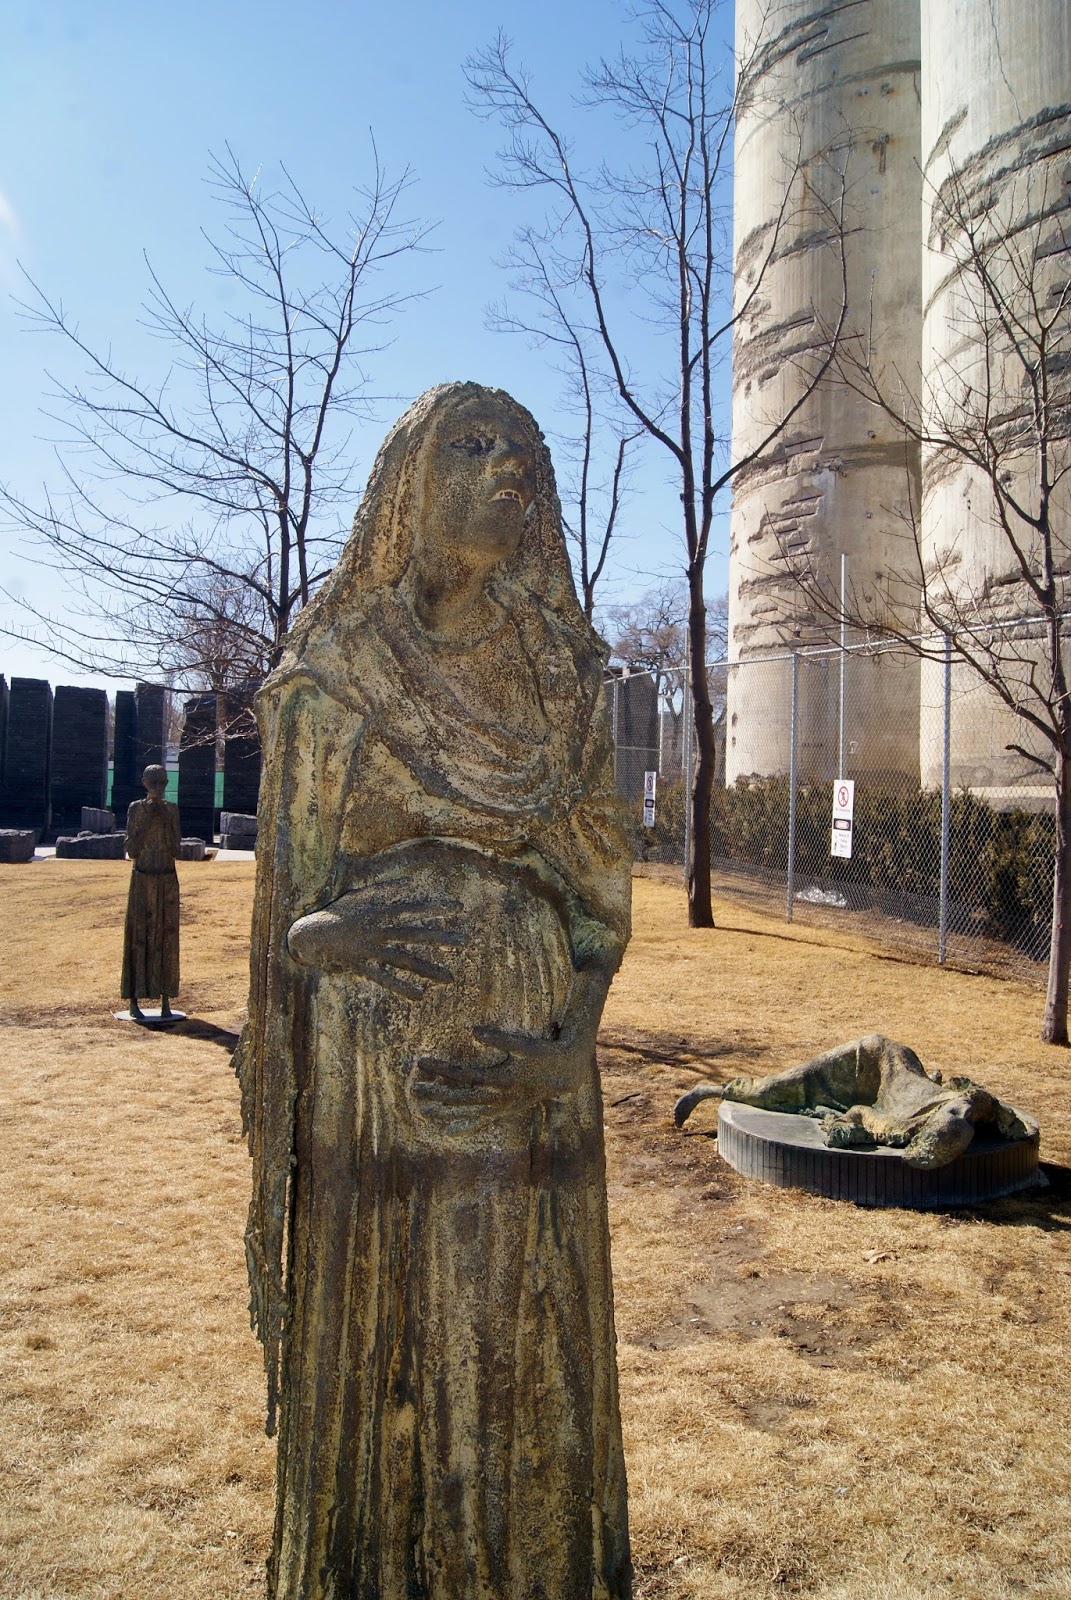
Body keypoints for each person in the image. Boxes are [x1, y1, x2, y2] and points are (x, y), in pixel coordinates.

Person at [235, 383, 633, 1600]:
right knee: (397, 1344)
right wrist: (334, 936)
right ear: (413, 480)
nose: (509, 467)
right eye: (475, 445)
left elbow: (600, 906)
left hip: (528, 1071)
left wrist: (574, 1045)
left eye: (524, 452)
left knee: (512, 1343)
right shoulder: (339, 667)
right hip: (375, 1072)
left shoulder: (563, 677)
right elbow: (286, 921)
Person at [121, 763, 181, 1021]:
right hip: (143, 879)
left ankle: (165, 997)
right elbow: (132, 849)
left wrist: (165, 819)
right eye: (153, 783)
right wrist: (147, 817)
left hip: (166, 879)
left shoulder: (172, 810)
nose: (158, 788)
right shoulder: (136, 809)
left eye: (162, 783)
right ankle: (134, 997)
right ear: (144, 783)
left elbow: (176, 849)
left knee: (166, 936)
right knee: (138, 936)